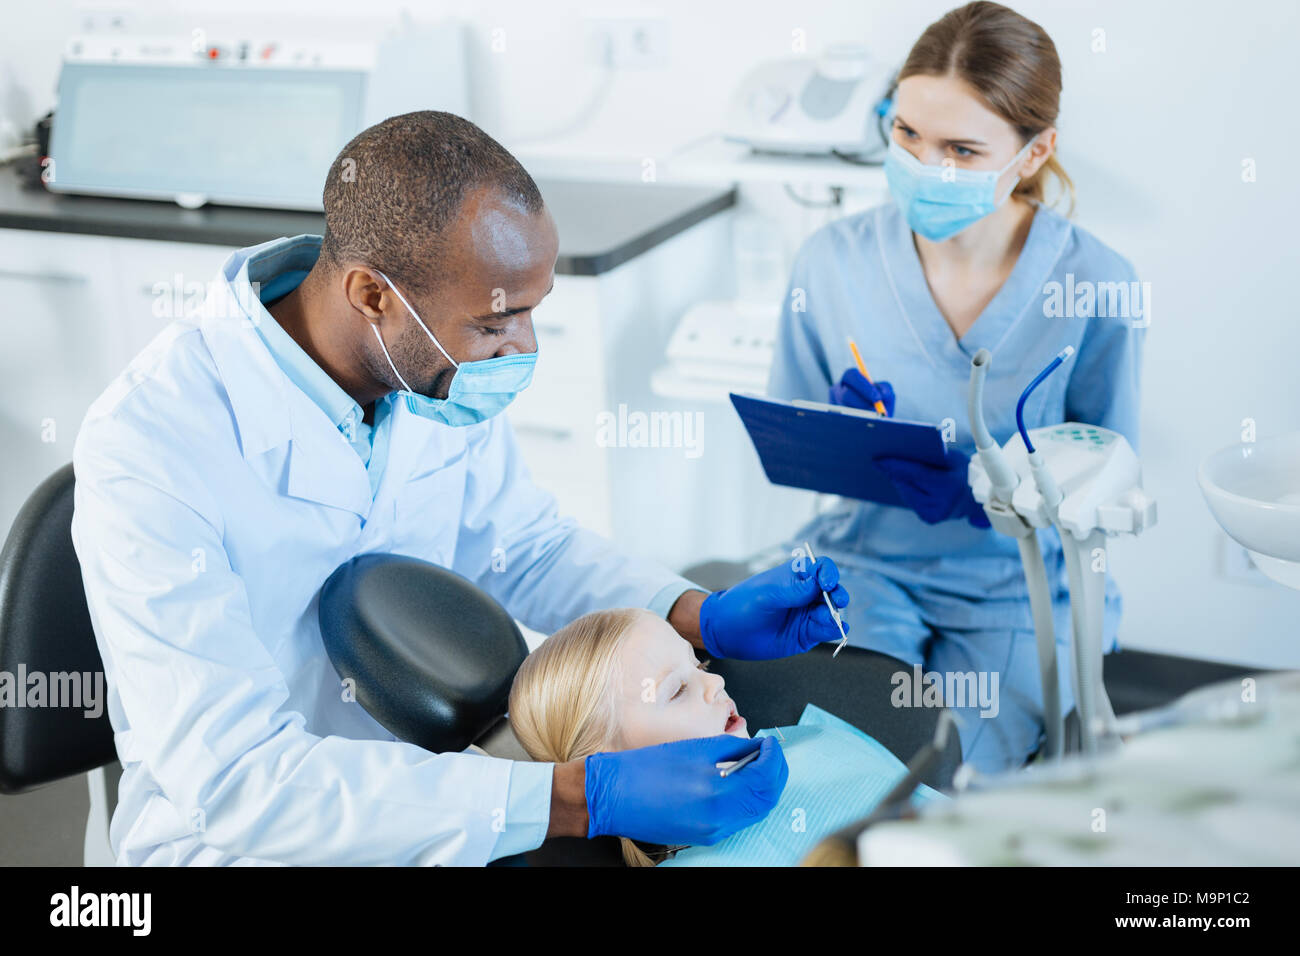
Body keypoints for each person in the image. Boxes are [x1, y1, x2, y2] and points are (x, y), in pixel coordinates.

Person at [69, 110, 851, 866]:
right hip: (242, 840)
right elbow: (237, 781)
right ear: (373, 296)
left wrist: (698, 615)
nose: (522, 349)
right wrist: (578, 800)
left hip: (438, 786)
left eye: (533, 313)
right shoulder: (150, 450)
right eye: (493, 325)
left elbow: (525, 548)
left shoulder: (422, 371)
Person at [767, 2, 1144, 774]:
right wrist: (840, 434)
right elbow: (789, 432)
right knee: (837, 766)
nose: (921, 163)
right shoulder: (830, 262)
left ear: (1034, 152)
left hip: (1018, 583)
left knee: (945, 777)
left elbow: (1109, 476)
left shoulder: (1098, 284)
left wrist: (985, 492)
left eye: (961, 149)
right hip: (868, 565)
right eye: (905, 133)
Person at [508, 607, 943, 866]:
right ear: (610, 767)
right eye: (676, 690)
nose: (713, 684)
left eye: (698, 665)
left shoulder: (812, 744)